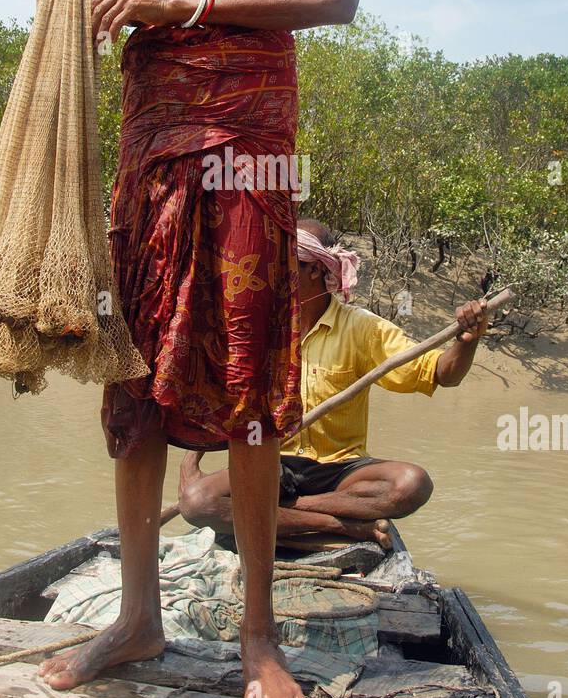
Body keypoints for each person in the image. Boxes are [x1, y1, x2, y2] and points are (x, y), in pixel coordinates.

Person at [38, 0, 362, 698]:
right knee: (137, 375)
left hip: (252, 146)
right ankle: (138, 617)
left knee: (251, 374)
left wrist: (188, 4)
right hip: (156, 146)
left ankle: (259, 636)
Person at [178, 217, 489, 548]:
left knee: (412, 484)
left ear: (315, 269)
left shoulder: (362, 328)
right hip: (273, 465)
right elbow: (220, 400)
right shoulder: (257, 328)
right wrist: (190, 462)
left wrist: (467, 340)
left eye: (284, 265)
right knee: (197, 502)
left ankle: (285, 512)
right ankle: (341, 527)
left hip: (343, 473)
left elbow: (443, 373)